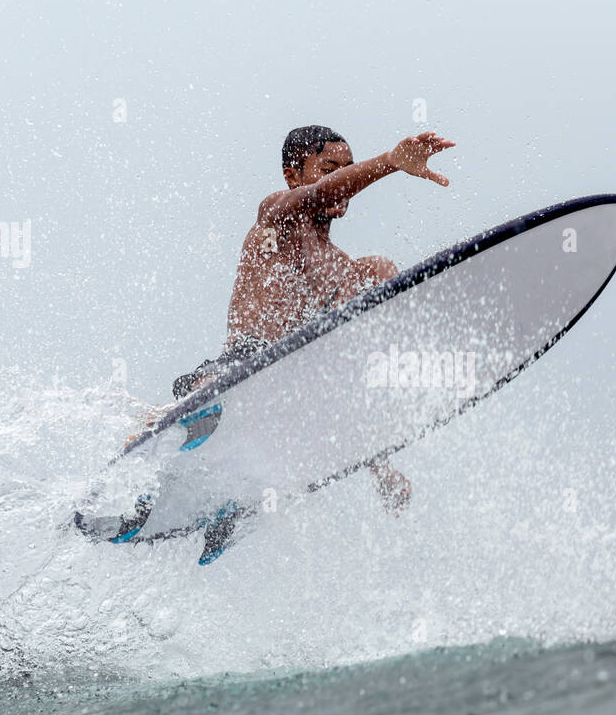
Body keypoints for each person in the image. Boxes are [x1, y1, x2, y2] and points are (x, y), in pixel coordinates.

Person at [172, 125, 456, 514]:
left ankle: (236, 503)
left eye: (347, 169)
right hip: (239, 367)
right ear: (293, 174)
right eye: (329, 168)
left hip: (288, 391)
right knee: (217, 383)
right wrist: (390, 162)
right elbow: (323, 193)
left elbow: (338, 375)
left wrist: (380, 467)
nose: (341, 179)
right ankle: (166, 442)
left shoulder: (340, 268)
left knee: (378, 269)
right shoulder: (276, 213)